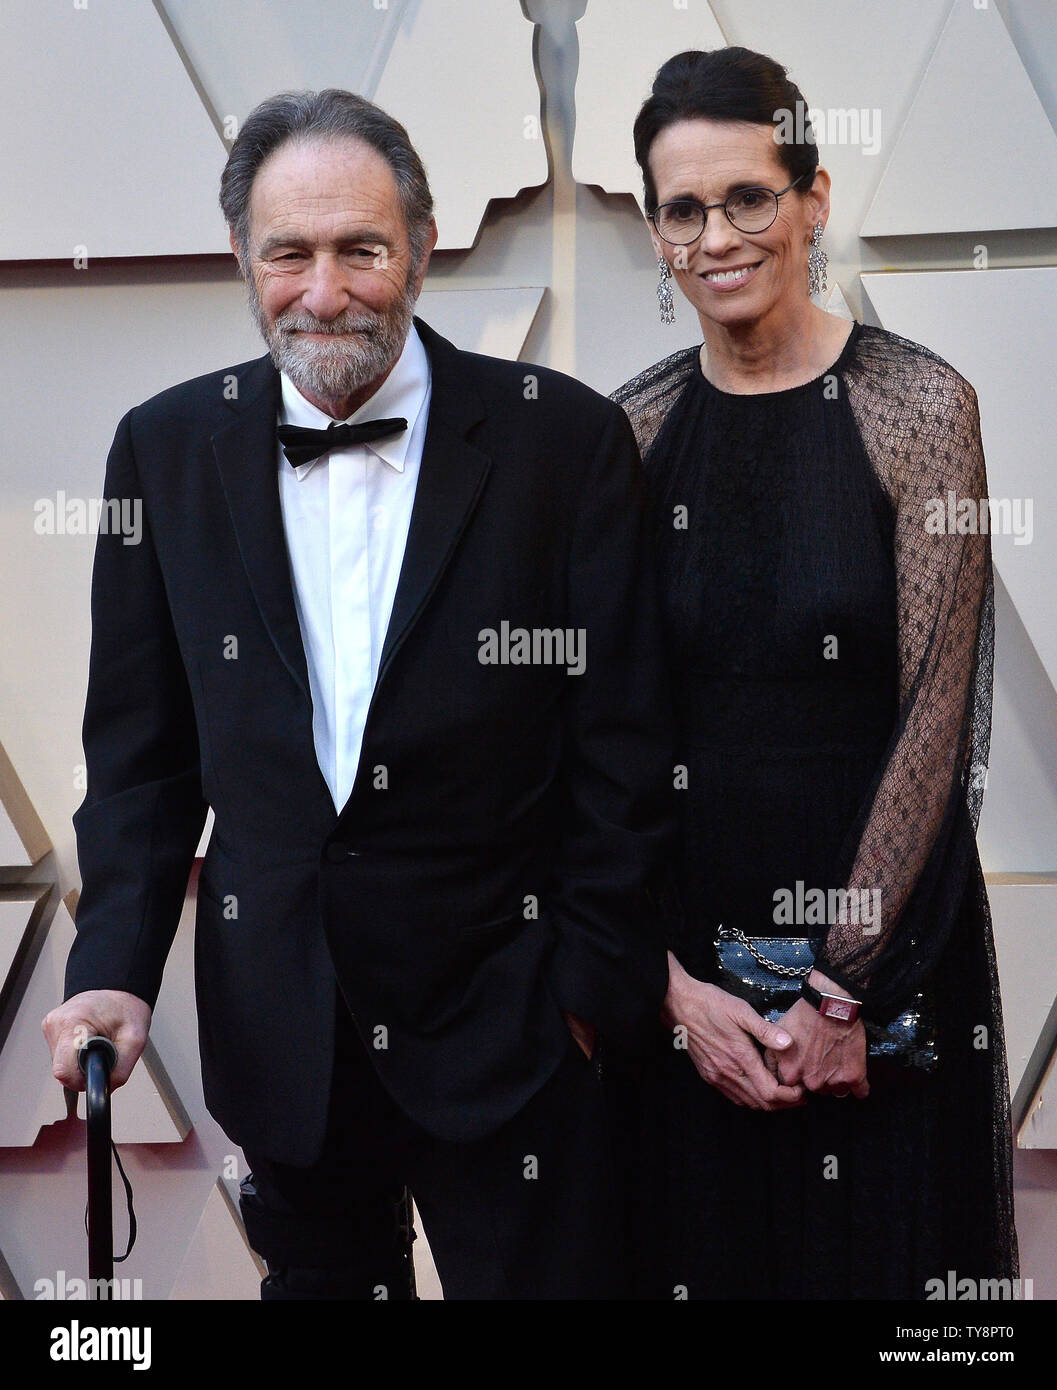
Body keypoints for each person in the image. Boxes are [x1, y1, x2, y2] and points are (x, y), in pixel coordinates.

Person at [42, 89, 673, 1301]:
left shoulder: (565, 443)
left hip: (517, 1032)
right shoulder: (164, 449)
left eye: (360, 250)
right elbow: (140, 761)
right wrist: (110, 967)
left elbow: (628, 749)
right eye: (288, 252)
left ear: (423, 251)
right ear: (242, 257)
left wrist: (588, 998)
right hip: (286, 1033)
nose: (323, 292)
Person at [611, 47, 1019, 1299]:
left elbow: (933, 721)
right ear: (655, 231)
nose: (717, 235)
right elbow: (600, 739)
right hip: (694, 994)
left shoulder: (916, 407)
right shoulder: (626, 429)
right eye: (683, 208)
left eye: (749, 195)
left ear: (812, 197)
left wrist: (838, 994)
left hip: (882, 965)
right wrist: (675, 994)